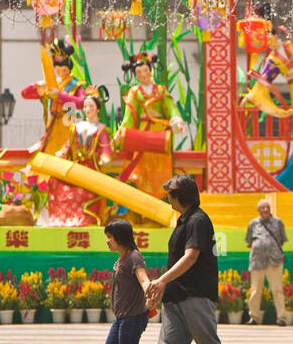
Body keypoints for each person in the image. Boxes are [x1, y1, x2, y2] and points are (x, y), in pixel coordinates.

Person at [132, 175, 253, 344]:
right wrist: (165, 287)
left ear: (180, 196)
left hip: (195, 297)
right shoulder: (182, 221)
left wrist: (161, 280)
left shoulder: (198, 220)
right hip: (176, 298)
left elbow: (191, 256)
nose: (167, 198)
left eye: (170, 194)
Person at [102, 219, 153, 344]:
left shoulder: (134, 257)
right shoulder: (122, 258)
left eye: (110, 237)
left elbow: (143, 278)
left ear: (121, 238)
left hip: (133, 318)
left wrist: (149, 291)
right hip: (121, 318)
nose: (107, 241)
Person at [116, 51, 185, 197]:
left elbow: (171, 107)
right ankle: (143, 204)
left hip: (160, 134)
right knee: (142, 170)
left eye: (145, 70)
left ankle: (162, 199)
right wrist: (121, 132)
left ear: (150, 69)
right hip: (143, 135)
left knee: (160, 169)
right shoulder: (134, 92)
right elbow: (129, 115)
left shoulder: (160, 90)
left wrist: (176, 120)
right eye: (138, 72)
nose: (142, 74)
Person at [43, 91, 113, 226]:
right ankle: (60, 219)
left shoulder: (101, 130)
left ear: (98, 109)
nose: (88, 110)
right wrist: (61, 153)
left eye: (91, 106)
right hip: (75, 168)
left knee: (83, 192)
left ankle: (85, 219)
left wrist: (105, 157)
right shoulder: (77, 127)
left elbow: (105, 149)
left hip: (91, 170)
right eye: (85, 106)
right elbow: (68, 146)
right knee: (54, 181)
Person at [22, 39, 86, 156]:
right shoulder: (52, 83)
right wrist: (38, 86)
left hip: (68, 124)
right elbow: (25, 94)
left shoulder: (76, 84)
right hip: (52, 127)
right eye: (58, 70)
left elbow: (82, 103)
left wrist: (60, 96)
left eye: (64, 70)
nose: (61, 72)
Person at [243, 198, 287, 326]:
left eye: (267, 207)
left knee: (277, 289)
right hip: (257, 261)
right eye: (262, 208)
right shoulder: (253, 224)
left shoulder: (278, 222)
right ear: (258, 211)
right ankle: (254, 317)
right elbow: (249, 242)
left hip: (275, 260)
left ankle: (281, 318)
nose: (265, 210)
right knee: (256, 290)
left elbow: (282, 241)